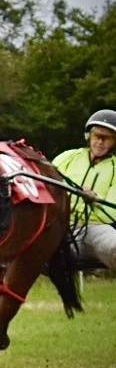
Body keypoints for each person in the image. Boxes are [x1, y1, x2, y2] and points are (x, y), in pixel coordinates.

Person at [52, 109, 116, 271]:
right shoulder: (68, 157)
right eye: (97, 136)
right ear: (89, 136)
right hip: (58, 223)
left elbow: (111, 212)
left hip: (95, 228)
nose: (100, 142)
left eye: (106, 138)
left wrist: (95, 199)